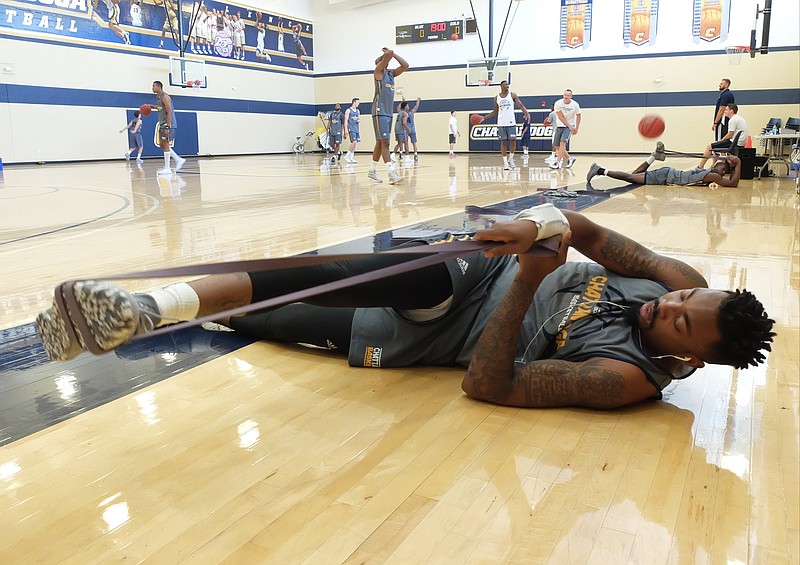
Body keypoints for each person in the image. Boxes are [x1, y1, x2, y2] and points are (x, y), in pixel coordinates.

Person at [36, 206, 774, 410]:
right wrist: (532, 231)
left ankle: (119, 325)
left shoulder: (625, 378)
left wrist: (527, 282)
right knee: (340, 274)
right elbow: (583, 231)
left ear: (694, 357)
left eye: (681, 320)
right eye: (682, 297)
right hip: (466, 274)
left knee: (265, 318)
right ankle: (146, 303)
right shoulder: (674, 278)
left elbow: (488, 385)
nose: (669, 304)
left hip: (440, 341)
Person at [586, 142, 741, 188]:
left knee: (632, 176)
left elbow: (732, 182)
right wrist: (737, 163)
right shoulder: (711, 174)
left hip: (667, 175)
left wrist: (735, 165)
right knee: (630, 178)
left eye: (724, 169)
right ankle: (599, 170)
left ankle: (654, 157)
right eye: (722, 167)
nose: (722, 171)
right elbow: (733, 183)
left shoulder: (712, 174)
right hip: (665, 176)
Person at [368, 47, 408, 185]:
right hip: (379, 111)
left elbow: (405, 65)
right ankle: (391, 174)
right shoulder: (378, 72)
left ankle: (372, 171)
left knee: (380, 142)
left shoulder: (390, 74)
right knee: (385, 142)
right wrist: (387, 53)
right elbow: (388, 55)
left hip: (388, 113)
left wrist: (393, 54)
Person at [479, 80, 529, 171]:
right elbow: (495, 112)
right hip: (501, 123)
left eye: (507, 85)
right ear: (501, 86)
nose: (507, 86)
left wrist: (527, 113)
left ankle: (511, 159)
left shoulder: (512, 95)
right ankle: (505, 163)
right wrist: (484, 118)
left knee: (513, 141)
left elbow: (521, 105)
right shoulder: (496, 98)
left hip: (511, 122)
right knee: (503, 142)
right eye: (505, 85)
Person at [146, 81, 186, 176]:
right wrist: (152, 106)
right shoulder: (158, 97)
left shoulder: (165, 97)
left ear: (159, 87)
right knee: (162, 144)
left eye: (154, 86)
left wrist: (168, 126)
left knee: (165, 144)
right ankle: (178, 159)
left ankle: (167, 168)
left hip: (168, 124)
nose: (152, 88)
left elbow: (169, 112)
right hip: (163, 124)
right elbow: (161, 108)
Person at [699, 104, 748, 168]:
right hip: (740, 143)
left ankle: (700, 167)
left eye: (726, 110)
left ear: (731, 111)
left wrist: (721, 141)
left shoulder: (733, 120)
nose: (724, 111)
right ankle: (714, 166)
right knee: (717, 147)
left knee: (709, 146)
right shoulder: (739, 118)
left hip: (735, 143)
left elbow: (730, 135)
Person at [550, 89, 581, 169]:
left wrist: (576, 128)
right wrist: (570, 126)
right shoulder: (558, 103)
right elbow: (560, 117)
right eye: (565, 95)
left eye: (567, 95)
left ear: (571, 96)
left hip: (568, 127)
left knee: (562, 143)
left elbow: (578, 115)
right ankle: (570, 158)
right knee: (556, 146)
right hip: (560, 125)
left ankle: (557, 162)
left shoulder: (575, 104)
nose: (566, 97)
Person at [343, 98, 360, 164]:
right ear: (354, 102)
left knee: (355, 143)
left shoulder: (358, 111)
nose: (358, 104)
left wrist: (359, 120)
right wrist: (346, 129)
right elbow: (345, 120)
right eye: (358, 102)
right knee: (354, 142)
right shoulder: (348, 110)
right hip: (351, 128)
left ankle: (351, 157)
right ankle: (347, 155)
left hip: (356, 129)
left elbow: (359, 119)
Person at [406, 97, 421, 162]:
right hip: (412, 129)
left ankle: (406, 156)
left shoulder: (404, 114)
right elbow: (416, 106)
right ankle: (415, 154)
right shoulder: (411, 112)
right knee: (414, 143)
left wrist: (403, 101)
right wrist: (418, 100)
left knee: (406, 143)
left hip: (407, 129)